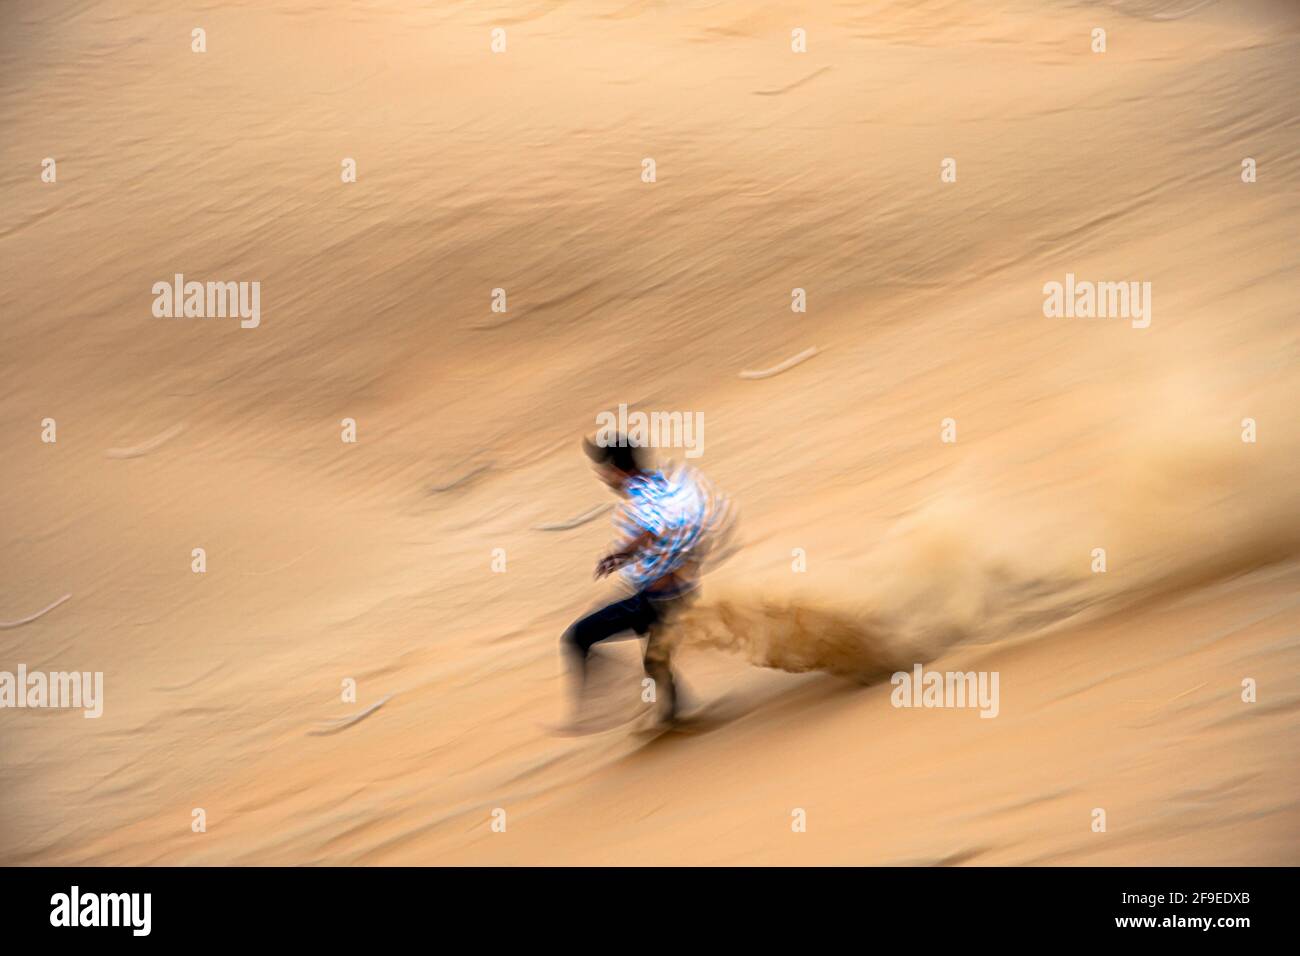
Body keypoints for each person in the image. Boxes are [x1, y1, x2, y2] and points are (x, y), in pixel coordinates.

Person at [561, 435, 728, 727]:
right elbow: (685, 528)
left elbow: (657, 528)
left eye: (602, 468)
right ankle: (675, 715)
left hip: (658, 599)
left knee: (577, 637)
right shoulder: (660, 485)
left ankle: (610, 704)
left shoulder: (642, 493)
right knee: (655, 662)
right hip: (672, 595)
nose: (601, 476)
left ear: (617, 469)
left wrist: (625, 552)